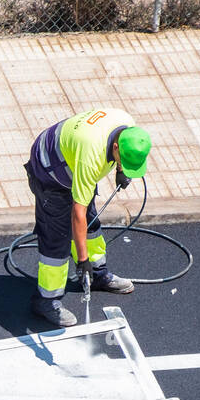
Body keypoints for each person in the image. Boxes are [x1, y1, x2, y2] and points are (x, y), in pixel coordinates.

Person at [24, 109, 151, 327]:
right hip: (50, 169)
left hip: (74, 157)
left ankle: (98, 275)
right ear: (115, 148)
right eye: (123, 160)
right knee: (57, 241)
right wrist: (82, 261)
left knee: (91, 226)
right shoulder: (90, 157)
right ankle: (46, 300)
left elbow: (84, 217)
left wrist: (121, 168)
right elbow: (78, 213)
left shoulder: (128, 128)